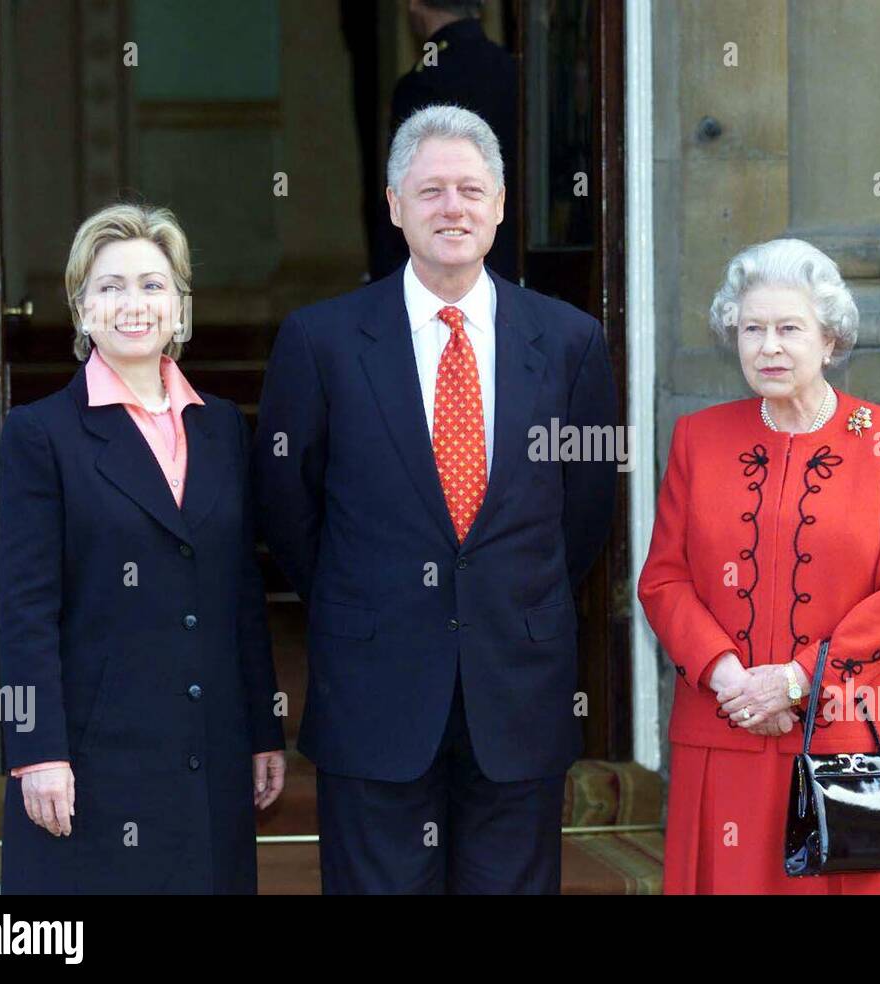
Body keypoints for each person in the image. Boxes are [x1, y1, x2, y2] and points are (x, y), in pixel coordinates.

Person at [253, 104, 617, 894]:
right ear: (393, 205)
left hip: (517, 691)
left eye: (469, 190)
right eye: (430, 192)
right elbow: (289, 509)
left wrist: (508, 594)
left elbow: (583, 515)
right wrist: (365, 597)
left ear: (500, 203)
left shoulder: (569, 341)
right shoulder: (321, 341)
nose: (452, 209)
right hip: (374, 690)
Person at [0, 203, 286, 894]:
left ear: (181, 308)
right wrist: (37, 752)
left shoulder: (221, 427)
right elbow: (25, 608)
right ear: (81, 308)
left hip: (209, 749)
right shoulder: (40, 434)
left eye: (154, 286)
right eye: (110, 287)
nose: (134, 304)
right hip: (95, 760)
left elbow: (240, 591)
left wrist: (262, 726)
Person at [638, 238, 880, 894]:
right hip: (726, 730)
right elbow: (663, 579)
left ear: (830, 340)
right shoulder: (699, 437)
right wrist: (731, 681)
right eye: (751, 329)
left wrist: (798, 680)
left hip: (847, 734)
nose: (768, 346)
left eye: (788, 329)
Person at [368, 0, 520, 283]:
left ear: (415, 6)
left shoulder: (422, 81)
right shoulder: (515, 69)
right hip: (510, 260)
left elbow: (405, 182)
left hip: (435, 271)